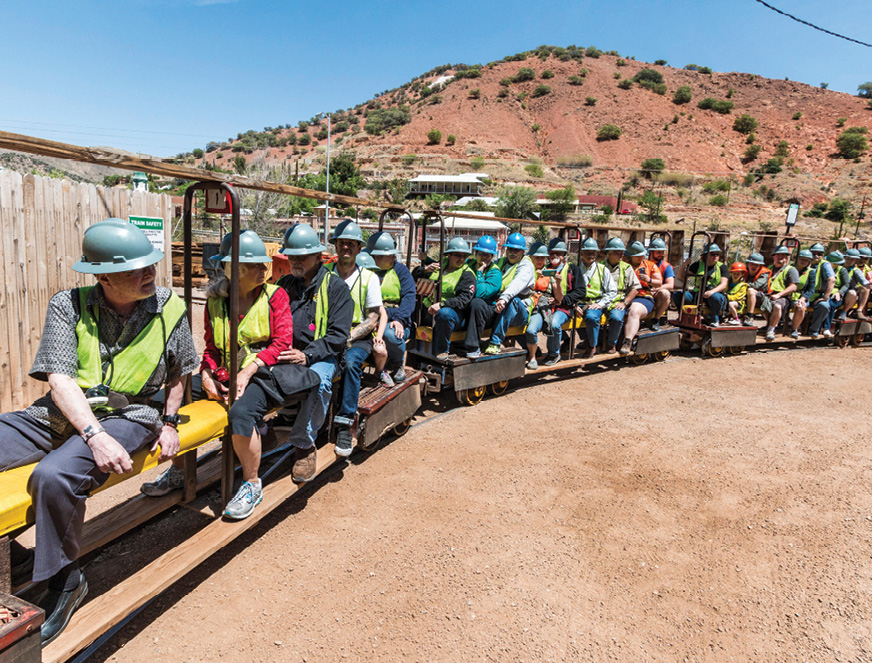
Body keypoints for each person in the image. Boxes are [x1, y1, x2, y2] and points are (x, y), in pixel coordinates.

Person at [0, 219, 198, 644]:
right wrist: (92, 433)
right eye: (135, 270)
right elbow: (60, 377)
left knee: (54, 476)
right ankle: (14, 558)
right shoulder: (67, 305)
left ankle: (65, 579)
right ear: (101, 276)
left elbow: (181, 372)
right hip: (64, 413)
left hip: (131, 416)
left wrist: (168, 423)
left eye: (151, 266)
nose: (149, 274)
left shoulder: (169, 307)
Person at [143, 229, 316, 519]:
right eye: (256, 265)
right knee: (168, 400)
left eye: (265, 263)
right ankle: (179, 470)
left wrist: (248, 370)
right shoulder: (215, 302)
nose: (265, 269)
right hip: (225, 372)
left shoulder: (276, 296)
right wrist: (208, 374)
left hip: (263, 371)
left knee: (241, 413)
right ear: (233, 269)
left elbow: (281, 343)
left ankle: (251, 482)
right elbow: (211, 347)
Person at [275, 223, 353, 480]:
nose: (295, 261)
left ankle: (304, 445)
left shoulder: (336, 288)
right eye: (292, 256)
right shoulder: (285, 284)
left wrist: (307, 355)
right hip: (287, 351)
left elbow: (338, 337)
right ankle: (260, 433)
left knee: (319, 382)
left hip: (323, 355)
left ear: (318, 257)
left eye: (302, 257)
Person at [324, 220, 389, 457]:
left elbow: (373, 317)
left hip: (356, 336)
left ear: (359, 248)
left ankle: (344, 423)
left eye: (351, 244)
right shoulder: (326, 275)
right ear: (336, 246)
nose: (346, 248)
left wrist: (348, 337)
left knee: (351, 363)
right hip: (328, 333)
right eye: (342, 243)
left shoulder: (369, 278)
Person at [465, 232, 535, 357]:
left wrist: (504, 298)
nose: (513, 252)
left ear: (523, 252)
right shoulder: (502, 262)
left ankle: (495, 342)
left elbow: (517, 284)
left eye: (517, 250)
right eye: (510, 249)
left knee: (512, 301)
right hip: (501, 307)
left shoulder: (526, 265)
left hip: (520, 310)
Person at [413, 237, 476, 359]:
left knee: (444, 314)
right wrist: (424, 270)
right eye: (458, 255)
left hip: (455, 315)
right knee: (411, 306)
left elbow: (464, 299)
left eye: (464, 256)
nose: (461, 259)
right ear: (449, 255)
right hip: (429, 310)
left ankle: (441, 351)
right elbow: (413, 276)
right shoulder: (439, 266)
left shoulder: (467, 274)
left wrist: (442, 304)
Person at [367, 231, 416, 382]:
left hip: (396, 319)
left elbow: (409, 298)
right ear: (376, 256)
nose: (394, 258)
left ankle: (397, 363)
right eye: (390, 255)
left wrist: (399, 318)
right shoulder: (365, 270)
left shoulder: (401, 271)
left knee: (391, 334)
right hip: (370, 317)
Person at [532, 237, 586, 366]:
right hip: (545, 305)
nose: (555, 255)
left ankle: (553, 354)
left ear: (564, 255)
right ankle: (533, 352)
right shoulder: (543, 269)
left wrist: (562, 301)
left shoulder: (573, 269)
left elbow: (581, 292)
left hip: (565, 308)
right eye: (552, 253)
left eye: (559, 253)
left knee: (554, 324)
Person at [620, 241, 662, 354]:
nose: (640, 257)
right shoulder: (623, 265)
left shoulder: (650, 265)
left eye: (642, 255)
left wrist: (649, 280)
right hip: (622, 295)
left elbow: (659, 282)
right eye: (637, 256)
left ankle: (627, 341)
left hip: (643, 297)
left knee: (634, 311)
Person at [600, 237, 641, 354]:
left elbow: (635, 288)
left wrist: (625, 303)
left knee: (617, 318)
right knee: (587, 316)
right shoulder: (599, 266)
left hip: (617, 301)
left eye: (622, 252)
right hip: (600, 300)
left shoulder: (626, 268)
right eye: (618, 252)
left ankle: (611, 344)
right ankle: (591, 342)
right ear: (609, 253)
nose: (621, 255)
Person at [578, 237, 617, 358]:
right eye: (588, 252)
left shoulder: (602, 270)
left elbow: (612, 291)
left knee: (591, 317)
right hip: (577, 303)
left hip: (595, 303)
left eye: (593, 252)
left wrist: (600, 304)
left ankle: (592, 345)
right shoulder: (575, 269)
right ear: (581, 253)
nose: (591, 255)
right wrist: (573, 305)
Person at [675, 243, 728, 326]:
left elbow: (723, 284)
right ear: (706, 255)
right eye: (712, 254)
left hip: (713, 294)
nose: (715, 256)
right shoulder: (697, 265)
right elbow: (681, 278)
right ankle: (682, 316)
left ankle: (715, 319)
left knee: (716, 298)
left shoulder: (722, 267)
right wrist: (684, 265)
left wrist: (711, 292)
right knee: (678, 295)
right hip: (697, 293)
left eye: (717, 254)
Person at [803, 250, 850, 339]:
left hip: (833, 295)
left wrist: (839, 293)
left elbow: (846, 284)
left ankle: (825, 328)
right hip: (814, 294)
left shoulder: (841, 270)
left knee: (828, 305)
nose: (835, 265)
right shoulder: (813, 266)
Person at [522, 242, 552, 368]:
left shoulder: (549, 273)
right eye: (536, 257)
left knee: (531, 330)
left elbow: (555, 294)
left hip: (538, 308)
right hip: (524, 305)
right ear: (531, 257)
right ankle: (525, 352)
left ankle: (533, 358)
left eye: (542, 257)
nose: (540, 260)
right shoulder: (524, 270)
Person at [762, 246, 801, 340]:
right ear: (773, 257)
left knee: (777, 306)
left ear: (787, 258)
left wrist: (779, 295)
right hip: (767, 294)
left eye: (783, 256)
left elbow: (793, 286)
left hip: (782, 296)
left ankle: (771, 330)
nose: (781, 257)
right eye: (778, 255)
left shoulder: (791, 270)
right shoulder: (769, 268)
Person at [648, 237, 674, 331]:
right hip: (643, 292)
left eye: (662, 252)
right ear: (651, 252)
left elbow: (670, 285)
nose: (661, 255)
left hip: (657, 294)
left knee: (665, 293)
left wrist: (657, 289)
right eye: (659, 252)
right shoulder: (643, 264)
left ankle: (656, 320)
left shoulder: (666, 267)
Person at [789, 249, 815, 339]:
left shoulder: (811, 272)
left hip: (801, 296)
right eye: (802, 259)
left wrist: (803, 298)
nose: (804, 262)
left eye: (807, 260)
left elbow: (811, 289)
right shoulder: (788, 268)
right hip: (788, 295)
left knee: (800, 307)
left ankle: (794, 329)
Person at [743, 252, 772, 326]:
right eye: (751, 264)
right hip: (745, 296)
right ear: (748, 264)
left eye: (756, 265)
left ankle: (750, 316)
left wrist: (742, 285)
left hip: (762, 298)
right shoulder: (743, 272)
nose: (753, 266)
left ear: (760, 266)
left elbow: (756, 286)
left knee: (751, 291)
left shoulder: (764, 273)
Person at [843, 248, 870, 321]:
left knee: (865, 288)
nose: (863, 260)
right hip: (848, 289)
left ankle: (859, 311)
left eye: (866, 259)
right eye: (861, 258)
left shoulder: (867, 269)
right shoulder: (850, 267)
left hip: (858, 290)